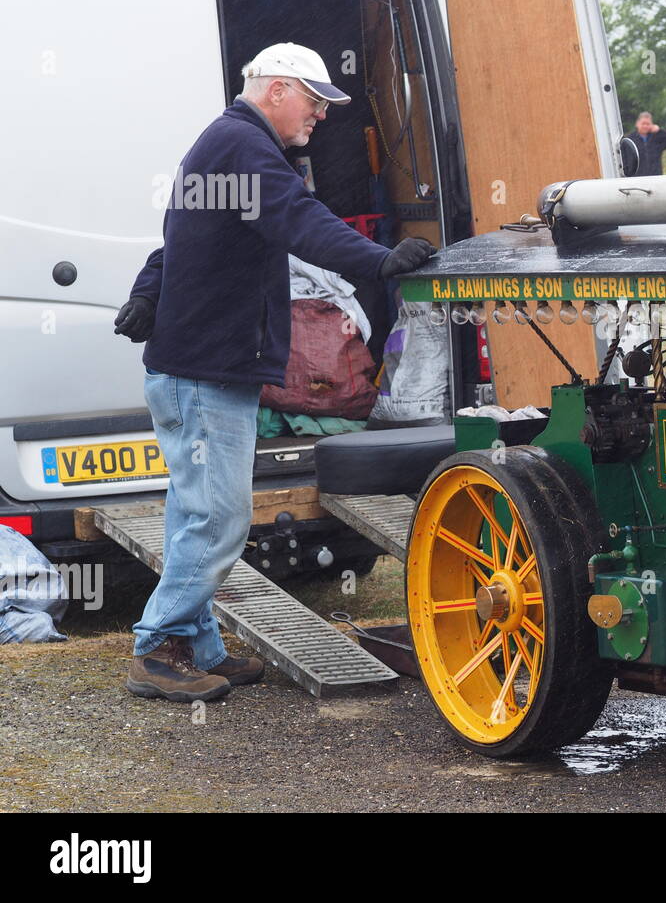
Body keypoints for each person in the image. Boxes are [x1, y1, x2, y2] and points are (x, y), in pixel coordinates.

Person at [113, 42, 435, 702]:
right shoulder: (244, 146)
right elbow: (299, 219)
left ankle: (197, 646)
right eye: (315, 101)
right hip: (202, 375)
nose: (321, 114)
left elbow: (177, 238)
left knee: (192, 515)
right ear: (279, 89)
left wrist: (150, 291)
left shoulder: (221, 142)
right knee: (222, 519)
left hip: (193, 369)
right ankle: (157, 649)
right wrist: (378, 262)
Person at [628, 111, 666, 175]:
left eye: (648, 124)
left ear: (652, 125)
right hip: (638, 178)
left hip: (655, 176)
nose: (645, 126)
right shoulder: (630, 139)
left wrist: (659, 130)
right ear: (637, 124)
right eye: (643, 124)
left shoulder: (656, 137)